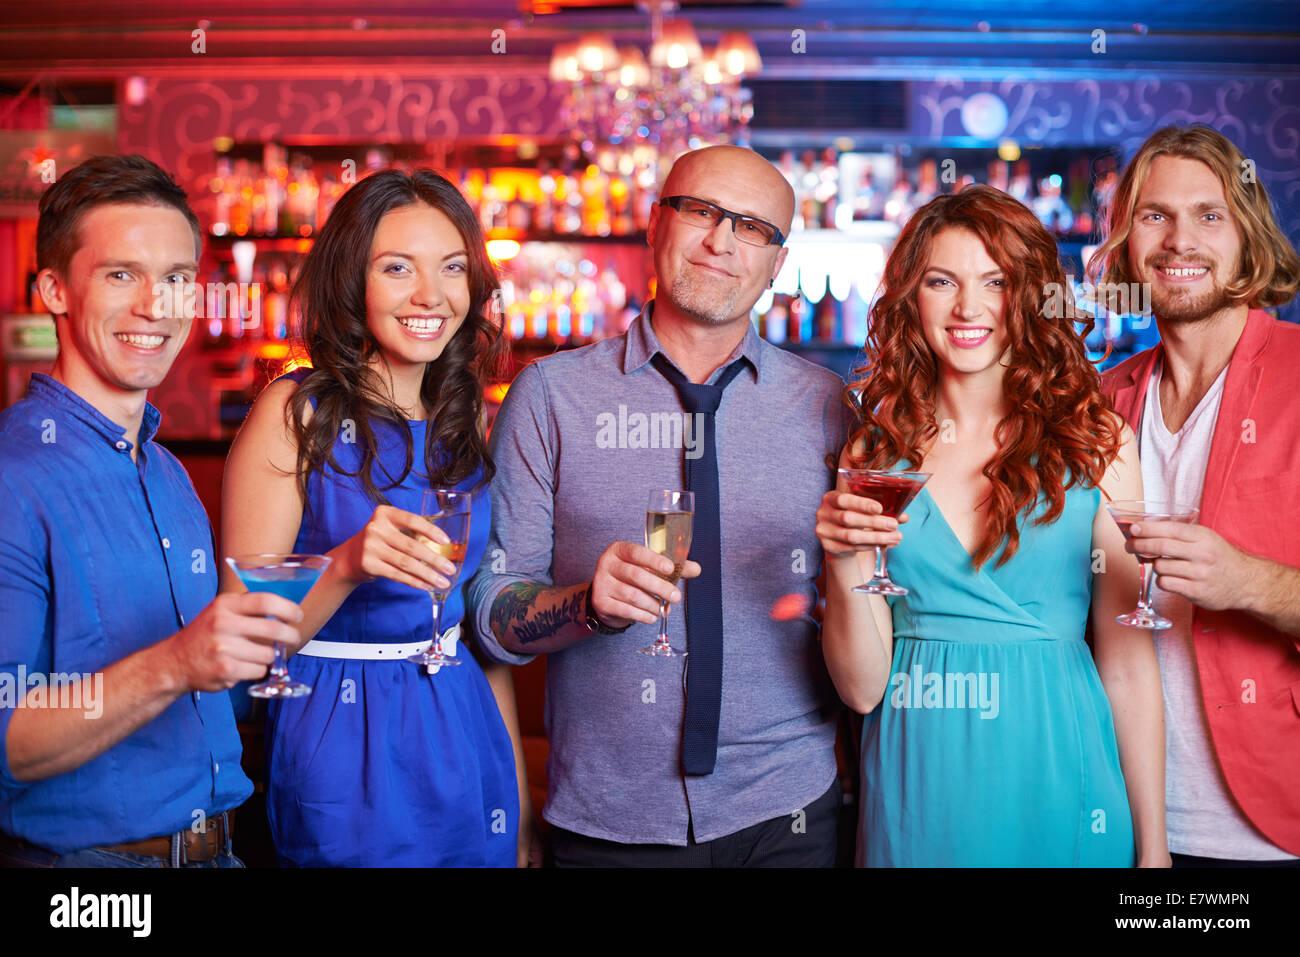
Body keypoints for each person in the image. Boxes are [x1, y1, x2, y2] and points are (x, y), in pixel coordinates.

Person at [465, 146, 852, 867]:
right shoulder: (549, 397)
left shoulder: (828, 407)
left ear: (777, 261)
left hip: (789, 812)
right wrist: (586, 604)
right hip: (608, 820)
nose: (722, 240)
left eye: (752, 227)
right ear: (654, 223)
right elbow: (490, 611)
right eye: (701, 211)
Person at [817, 184, 1169, 867]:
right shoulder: (874, 453)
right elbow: (861, 687)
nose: (968, 308)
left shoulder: (1097, 442)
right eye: (941, 281)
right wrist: (841, 558)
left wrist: (1153, 853)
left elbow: (1129, 669)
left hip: (1059, 760)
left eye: (996, 282)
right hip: (917, 774)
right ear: (909, 298)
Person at [220, 169, 535, 867]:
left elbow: (472, 631)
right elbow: (244, 640)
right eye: (398, 267)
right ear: (349, 280)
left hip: (464, 729)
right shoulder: (295, 413)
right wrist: (348, 563)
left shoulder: (465, 422)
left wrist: (517, 802)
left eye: (452, 268)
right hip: (343, 732)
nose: (431, 294)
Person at [0, 154, 305, 867]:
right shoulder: (14, 475)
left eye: (175, 279)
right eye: (120, 275)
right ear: (54, 289)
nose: (156, 306)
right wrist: (175, 662)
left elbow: (221, 698)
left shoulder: (166, 472)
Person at [1093, 125, 1300, 866]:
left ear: (1248, 237)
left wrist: (1248, 581)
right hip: (1118, 818)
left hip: (1275, 829)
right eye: (1155, 215)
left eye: (1209, 215)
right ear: (1125, 241)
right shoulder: (1100, 401)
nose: (1181, 240)